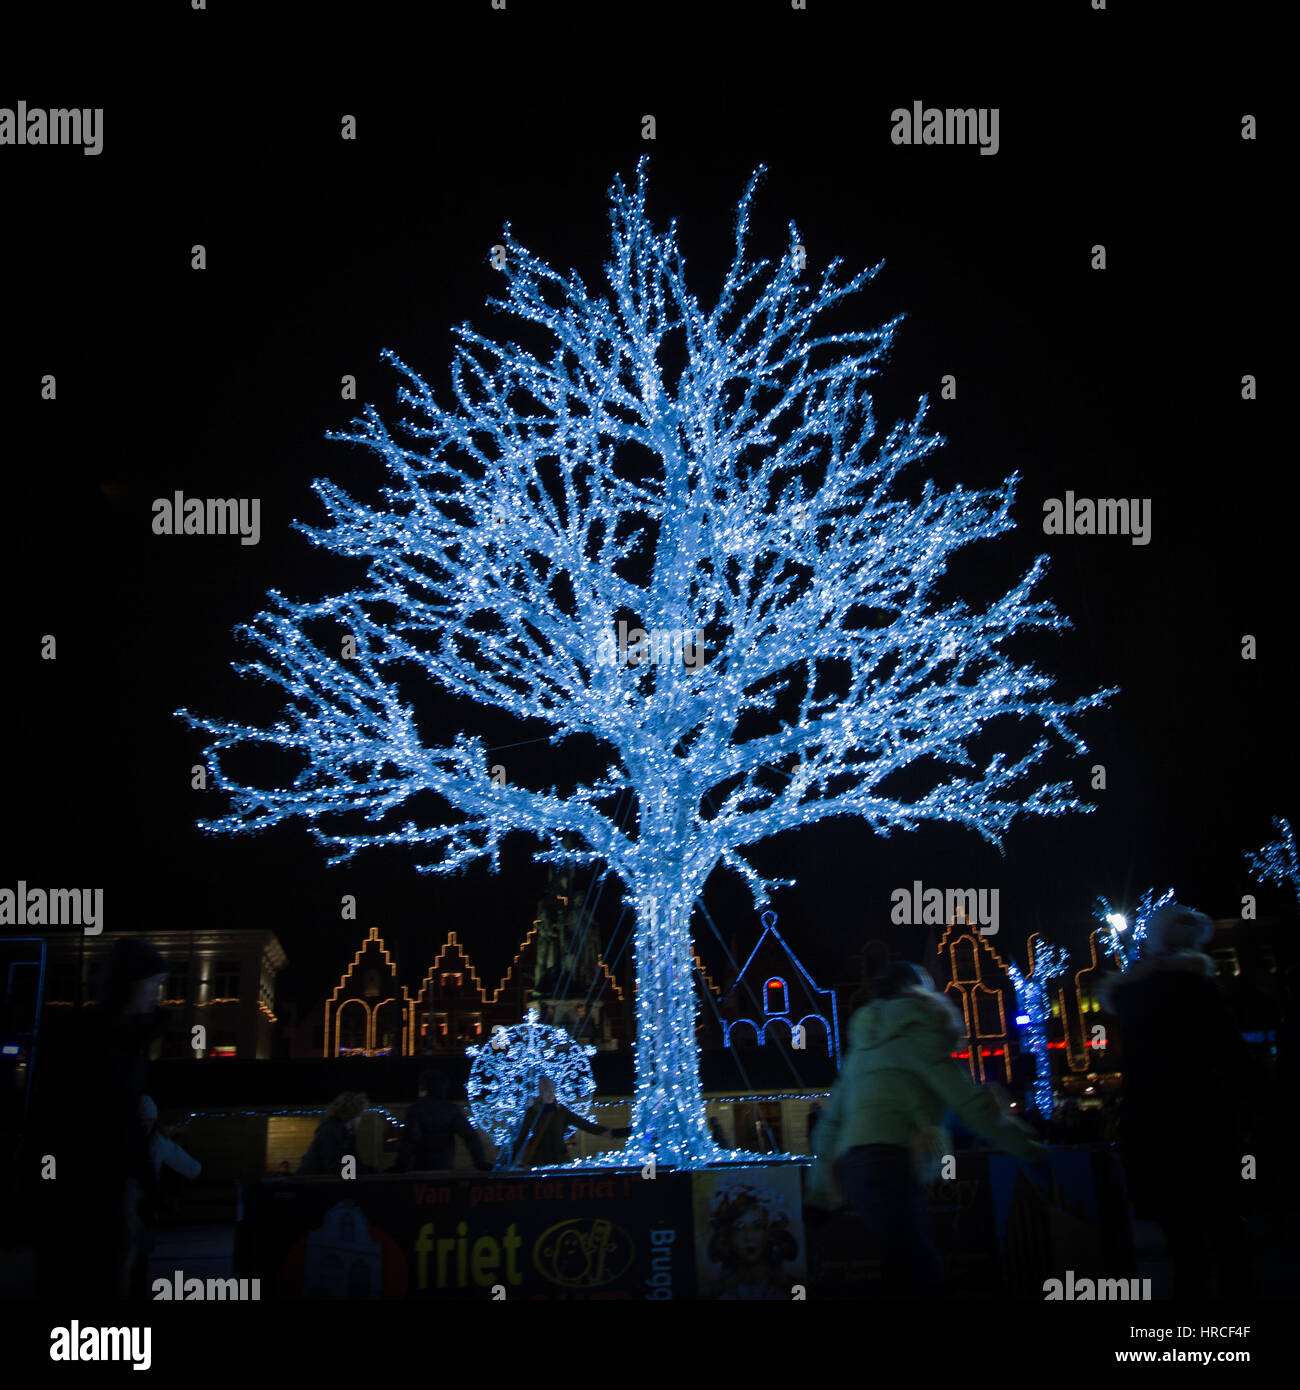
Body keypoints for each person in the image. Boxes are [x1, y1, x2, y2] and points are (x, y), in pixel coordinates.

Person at [808, 941, 1044, 1296]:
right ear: (923, 996)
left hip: (858, 1167)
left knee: (902, 1262)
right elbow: (971, 1105)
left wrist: (817, 1195)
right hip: (892, 1162)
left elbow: (831, 1124)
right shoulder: (922, 1035)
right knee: (917, 1269)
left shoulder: (861, 1049)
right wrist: (1028, 1149)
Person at [1099, 903, 1257, 1297]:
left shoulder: (1131, 996)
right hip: (1205, 1123)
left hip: (1153, 1129)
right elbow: (1233, 1057)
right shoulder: (1198, 988)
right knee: (1225, 1230)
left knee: (1184, 1241)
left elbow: (1133, 1067)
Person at [30, 937, 169, 1299]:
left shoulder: (125, 1041)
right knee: (91, 1272)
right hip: (87, 1184)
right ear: (131, 983)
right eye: (152, 983)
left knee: (111, 1269)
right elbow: (63, 1115)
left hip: (110, 1181)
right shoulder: (90, 1037)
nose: (158, 992)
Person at [510, 1075, 629, 1168]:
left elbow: (585, 1125)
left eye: (552, 1090)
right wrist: (512, 1161)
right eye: (547, 1091)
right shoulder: (532, 1113)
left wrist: (608, 1132)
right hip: (539, 1162)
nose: (551, 1093)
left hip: (560, 1160)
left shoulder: (561, 1111)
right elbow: (521, 1137)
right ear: (541, 1092)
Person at [394, 1070, 492, 1172]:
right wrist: (479, 1162)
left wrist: (400, 1165)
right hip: (444, 1167)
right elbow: (470, 1137)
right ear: (443, 1087)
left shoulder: (416, 1110)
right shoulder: (451, 1110)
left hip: (420, 1169)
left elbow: (409, 1139)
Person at [298, 1092, 375, 1176]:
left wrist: (368, 1171)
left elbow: (350, 1162)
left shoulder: (343, 1132)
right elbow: (335, 1165)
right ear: (353, 1114)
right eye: (360, 1115)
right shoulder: (331, 1131)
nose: (360, 1120)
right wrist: (367, 1172)